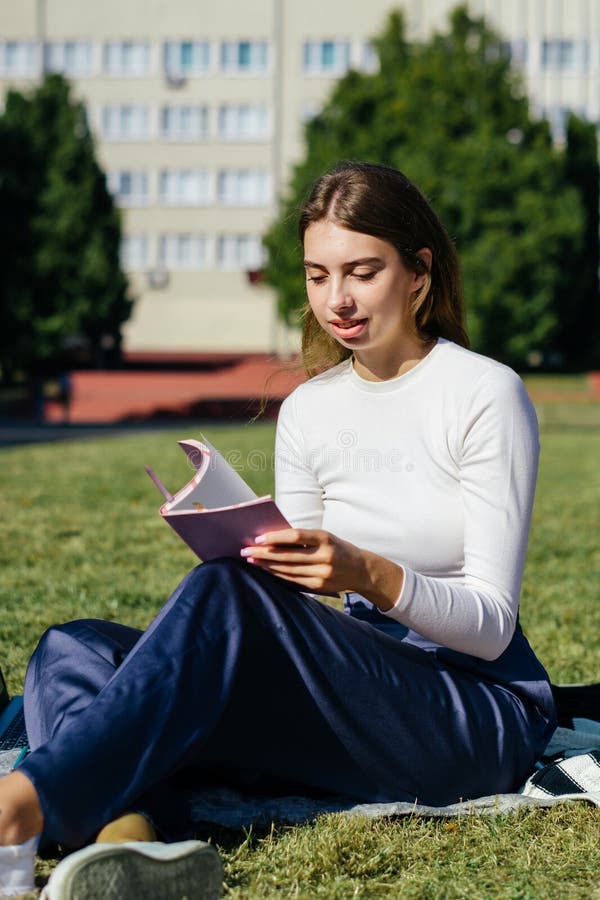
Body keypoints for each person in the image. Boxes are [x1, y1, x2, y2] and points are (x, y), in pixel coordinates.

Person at [0, 161, 556, 898]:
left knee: (224, 597)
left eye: (362, 272)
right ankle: (128, 837)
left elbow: (490, 625)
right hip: (358, 688)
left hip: (472, 710)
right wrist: (252, 546)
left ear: (419, 273)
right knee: (73, 647)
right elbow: (294, 611)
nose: (338, 301)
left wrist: (366, 574)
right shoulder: (310, 411)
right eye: (317, 275)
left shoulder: (485, 393)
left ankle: (23, 807)